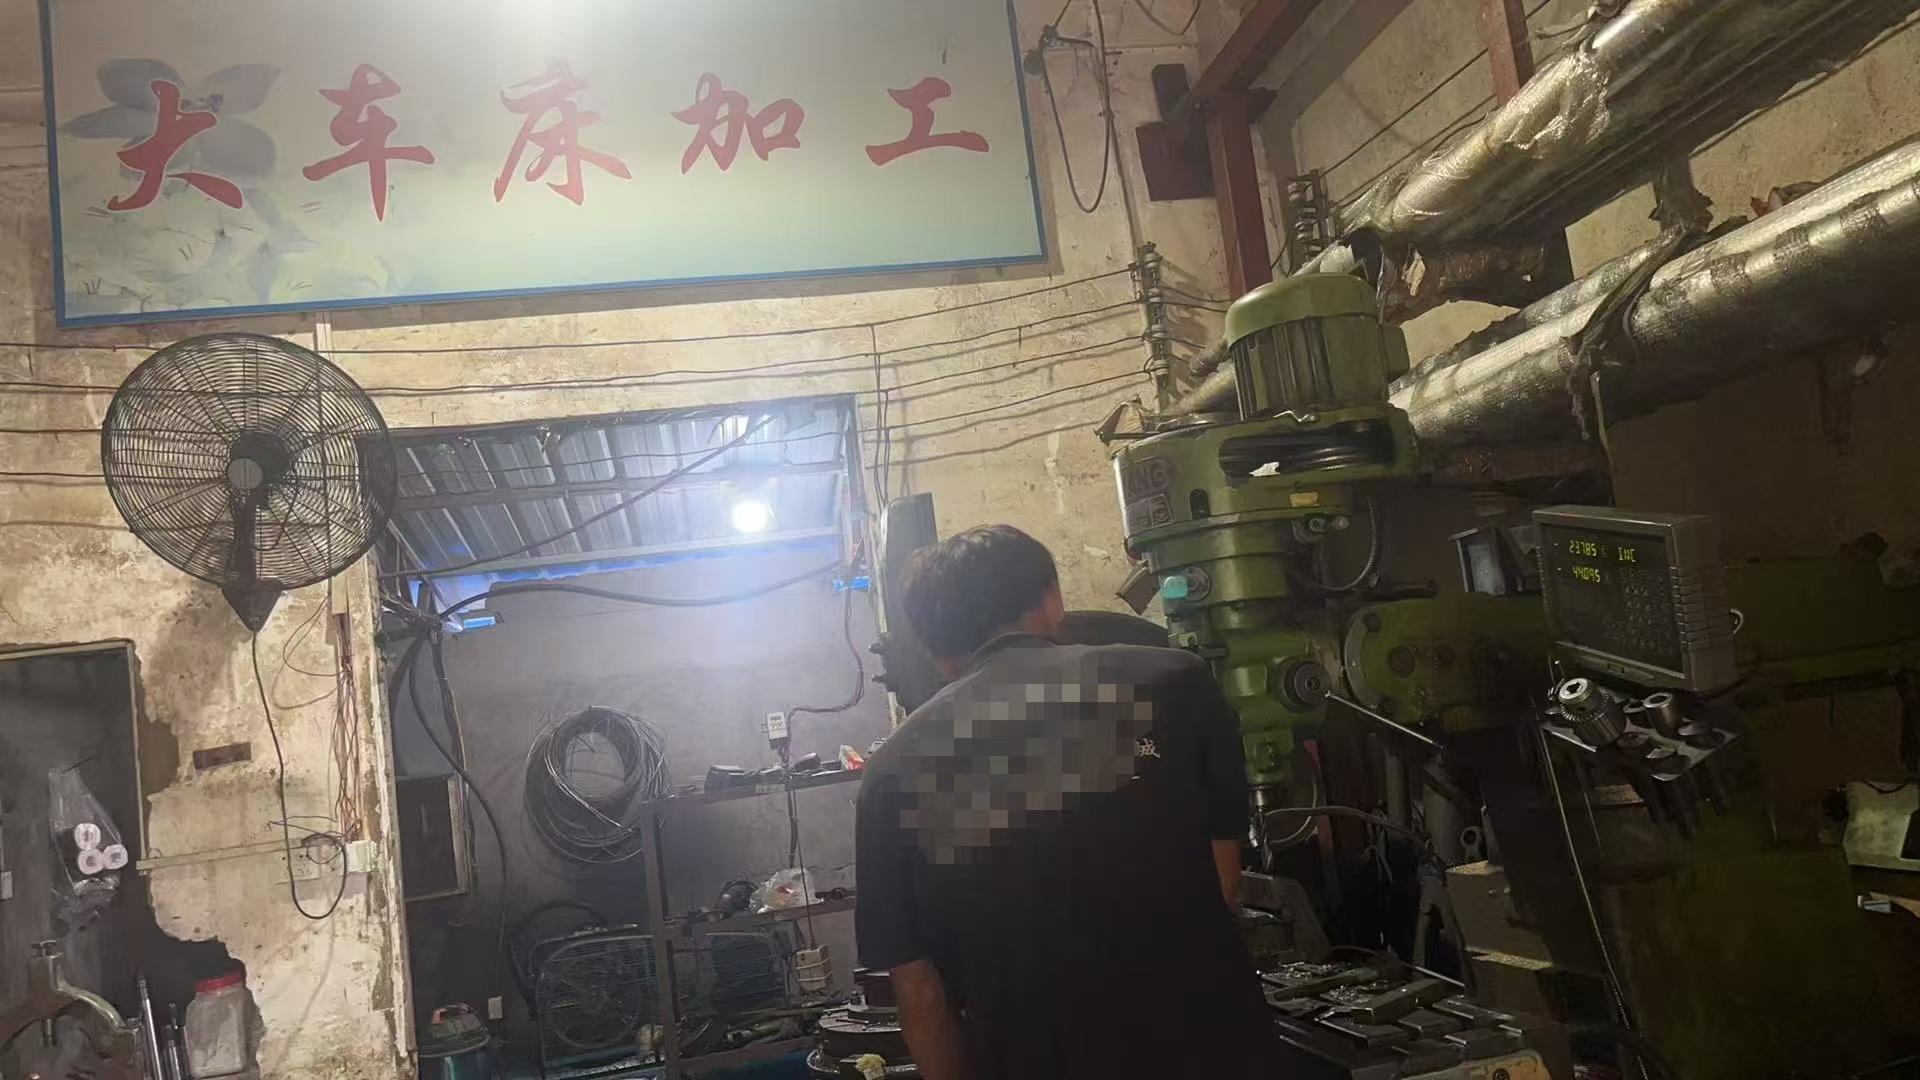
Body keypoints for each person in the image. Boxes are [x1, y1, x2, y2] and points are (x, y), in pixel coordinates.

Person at [854, 525, 1279, 1080]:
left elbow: (922, 997)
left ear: (936, 649)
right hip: (1214, 1051)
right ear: (1052, 598)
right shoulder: (1176, 681)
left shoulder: (890, 773)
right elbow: (1222, 881)